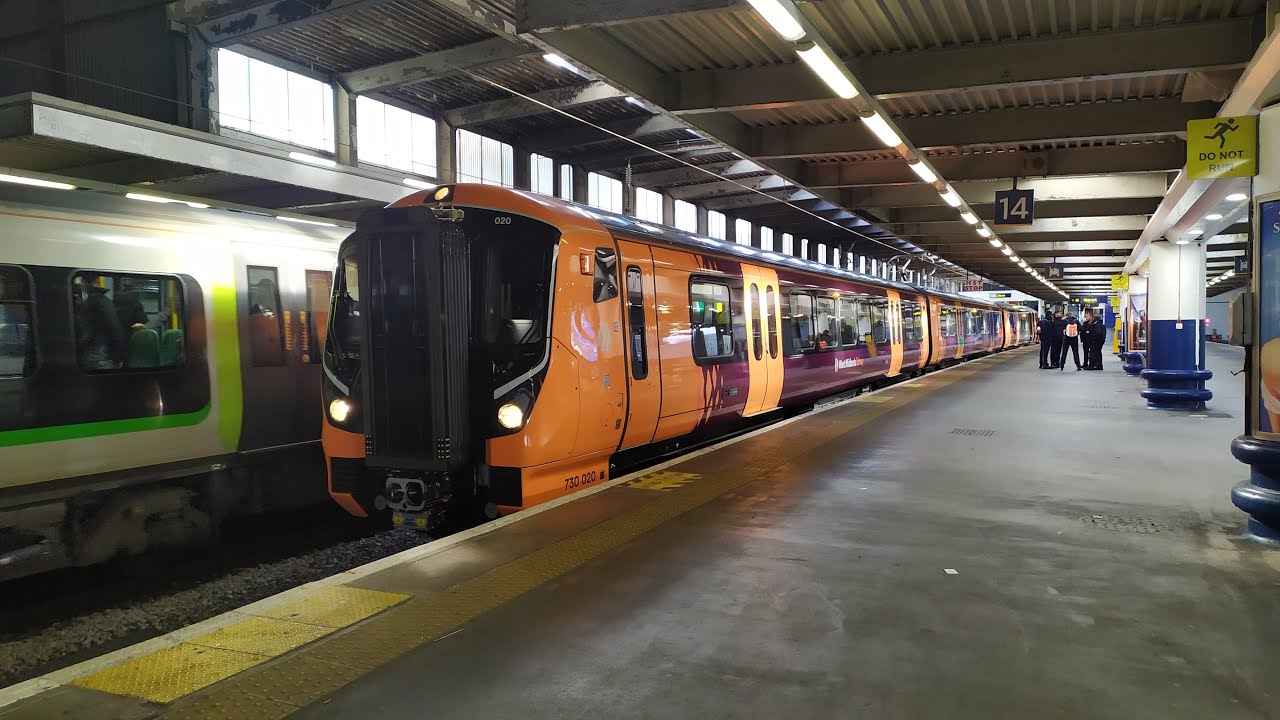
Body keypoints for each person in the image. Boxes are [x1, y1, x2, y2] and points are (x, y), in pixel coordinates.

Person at [78, 280, 125, 369]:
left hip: (89, 350)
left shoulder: (86, 303)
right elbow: (114, 328)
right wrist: (120, 356)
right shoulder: (104, 302)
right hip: (102, 351)